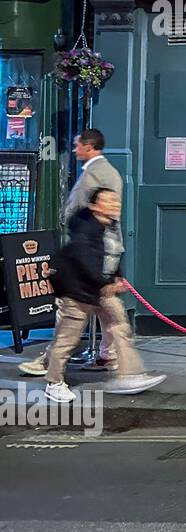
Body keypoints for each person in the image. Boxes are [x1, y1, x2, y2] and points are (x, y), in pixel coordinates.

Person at [19, 129, 123, 377]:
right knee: (108, 313)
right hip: (98, 255)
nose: (74, 150)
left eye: (77, 146)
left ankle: (50, 364)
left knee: (71, 311)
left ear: (89, 147)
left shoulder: (98, 174)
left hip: (90, 255)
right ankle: (109, 356)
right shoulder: (102, 172)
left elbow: (97, 218)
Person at [44, 188, 166, 402]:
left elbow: (113, 255)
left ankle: (128, 375)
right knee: (67, 338)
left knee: (119, 325)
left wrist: (118, 277)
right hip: (78, 289)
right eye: (108, 200)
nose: (114, 204)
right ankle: (54, 383)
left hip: (101, 287)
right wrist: (107, 282)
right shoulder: (85, 227)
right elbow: (85, 260)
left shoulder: (110, 226)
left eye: (115, 200)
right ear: (94, 206)